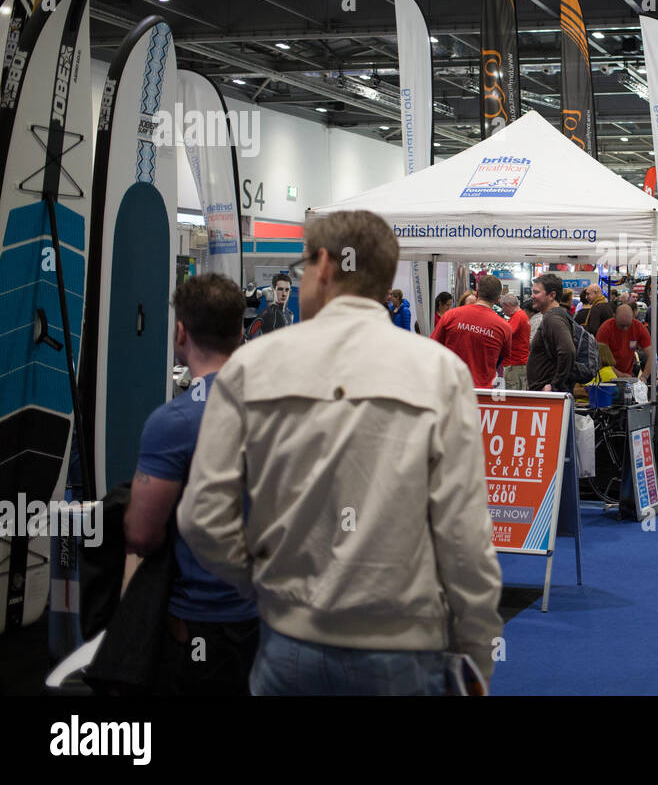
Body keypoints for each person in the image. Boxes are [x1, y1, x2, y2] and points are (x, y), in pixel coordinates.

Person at [178, 210, 502, 695]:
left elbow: (203, 516)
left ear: (325, 265)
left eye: (306, 266)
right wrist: (477, 649)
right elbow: (464, 539)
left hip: (290, 645)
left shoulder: (251, 367)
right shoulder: (439, 372)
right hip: (405, 649)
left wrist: (265, 585)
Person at [124, 274, 259, 695]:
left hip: (199, 623)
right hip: (272, 622)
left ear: (180, 332)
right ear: (240, 332)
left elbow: (142, 534)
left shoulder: (173, 422)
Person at [432, 274, 512, 389]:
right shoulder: (504, 327)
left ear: (477, 293)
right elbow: (501, 357)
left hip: (451, 386)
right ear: (498, 299)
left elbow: (434, 346)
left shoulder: (451, 315)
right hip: (482, 391)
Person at [527, 273, 575, 392]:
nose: (532, 296)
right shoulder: (553, 316)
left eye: (536, 292)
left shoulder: (553, 318)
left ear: (552, 295)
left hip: (548, 398)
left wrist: (555, 386)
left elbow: (568, 351)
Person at [597, 304, 652, 382]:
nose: (625, 328)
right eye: (622, 325)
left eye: (628, 325)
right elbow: (601, 359)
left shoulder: (639, 328)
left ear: (633, 317)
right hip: (607, 376)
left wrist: (644, 377)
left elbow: (651, 355)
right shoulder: (605, 329)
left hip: (627, 375)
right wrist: (620, 375)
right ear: (614, 317)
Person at [247, 273, 294, 340]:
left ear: (290, 292)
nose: (284, 294)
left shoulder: (289, 314)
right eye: (280, 289)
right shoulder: (267, 313)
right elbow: (247, 335)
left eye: (287, 290)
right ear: (273, 291)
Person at [500, 292, 531, 390]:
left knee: (514, 393)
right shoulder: (521, 315)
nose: (503, 310)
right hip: (517, 362)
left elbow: (506, 334)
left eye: (503, 307)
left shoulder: (517, 316)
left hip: (515, 363)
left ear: (508, 305)